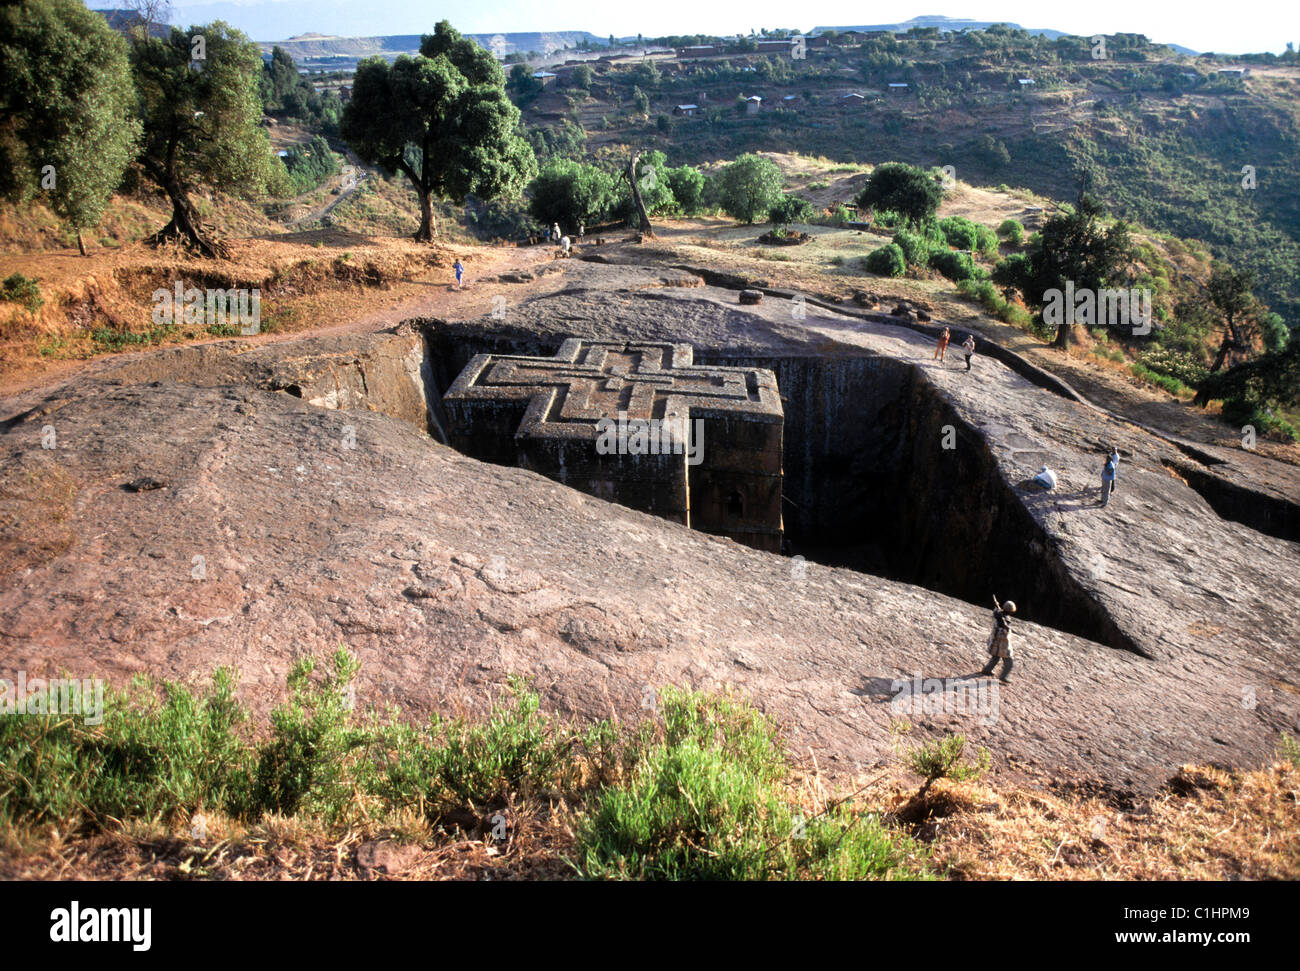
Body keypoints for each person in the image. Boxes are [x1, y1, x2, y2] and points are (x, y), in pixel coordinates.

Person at [981, 598, 1016, 682]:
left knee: (996, 657)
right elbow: (1003, 633)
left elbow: (996, 611)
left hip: (995, 641)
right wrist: (1007, 630)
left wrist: (997, 606)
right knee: (1009, 661)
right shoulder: (1003, 619)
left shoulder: (998, 614)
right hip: (1002, 644)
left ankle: (987, 670)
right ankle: (1004, 676)